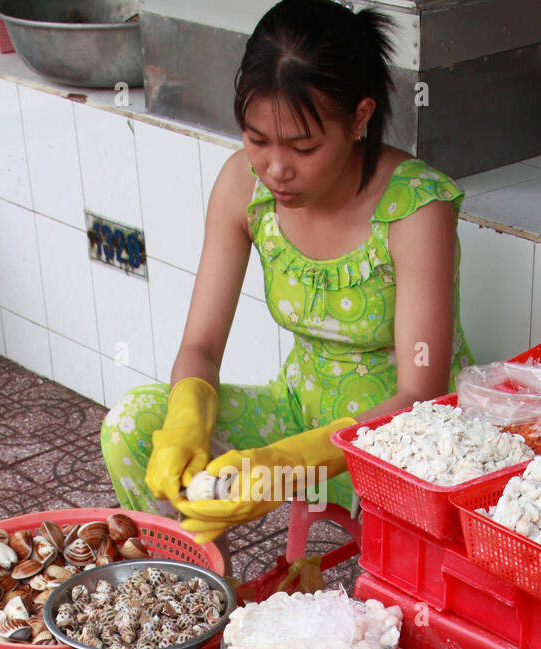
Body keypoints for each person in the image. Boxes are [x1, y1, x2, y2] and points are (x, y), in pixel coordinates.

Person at [99, 0, 473, 550]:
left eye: (304, 147)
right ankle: (200, 595)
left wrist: (283, 466)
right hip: (298, 411)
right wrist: (186, 419)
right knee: (131, 426)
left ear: (359, 118)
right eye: (257, 140)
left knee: (404, 584)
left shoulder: (415, 207)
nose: (276, 168)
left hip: (402, 445)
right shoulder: (243, 188)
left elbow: (421, 394)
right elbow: (201, 345)